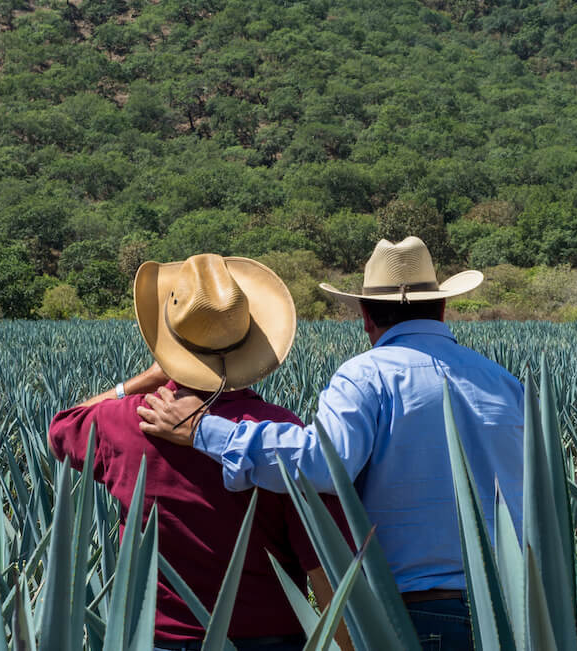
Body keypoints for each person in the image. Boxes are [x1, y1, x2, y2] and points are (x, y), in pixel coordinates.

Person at [136, 236, 525, 651]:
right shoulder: (504, 383)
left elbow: (322, 465)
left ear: (365, 316)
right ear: (442, 307)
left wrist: (204, 430)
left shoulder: (368, 376)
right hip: (513, 614)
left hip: (413, 613)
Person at [49, 253, 343, 651]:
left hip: (154, 640)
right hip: (268, 640)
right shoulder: (280, 435)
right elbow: (321, 565)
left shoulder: (123, 422)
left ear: (170, 346)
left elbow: (62, 428)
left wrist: (141, 382)